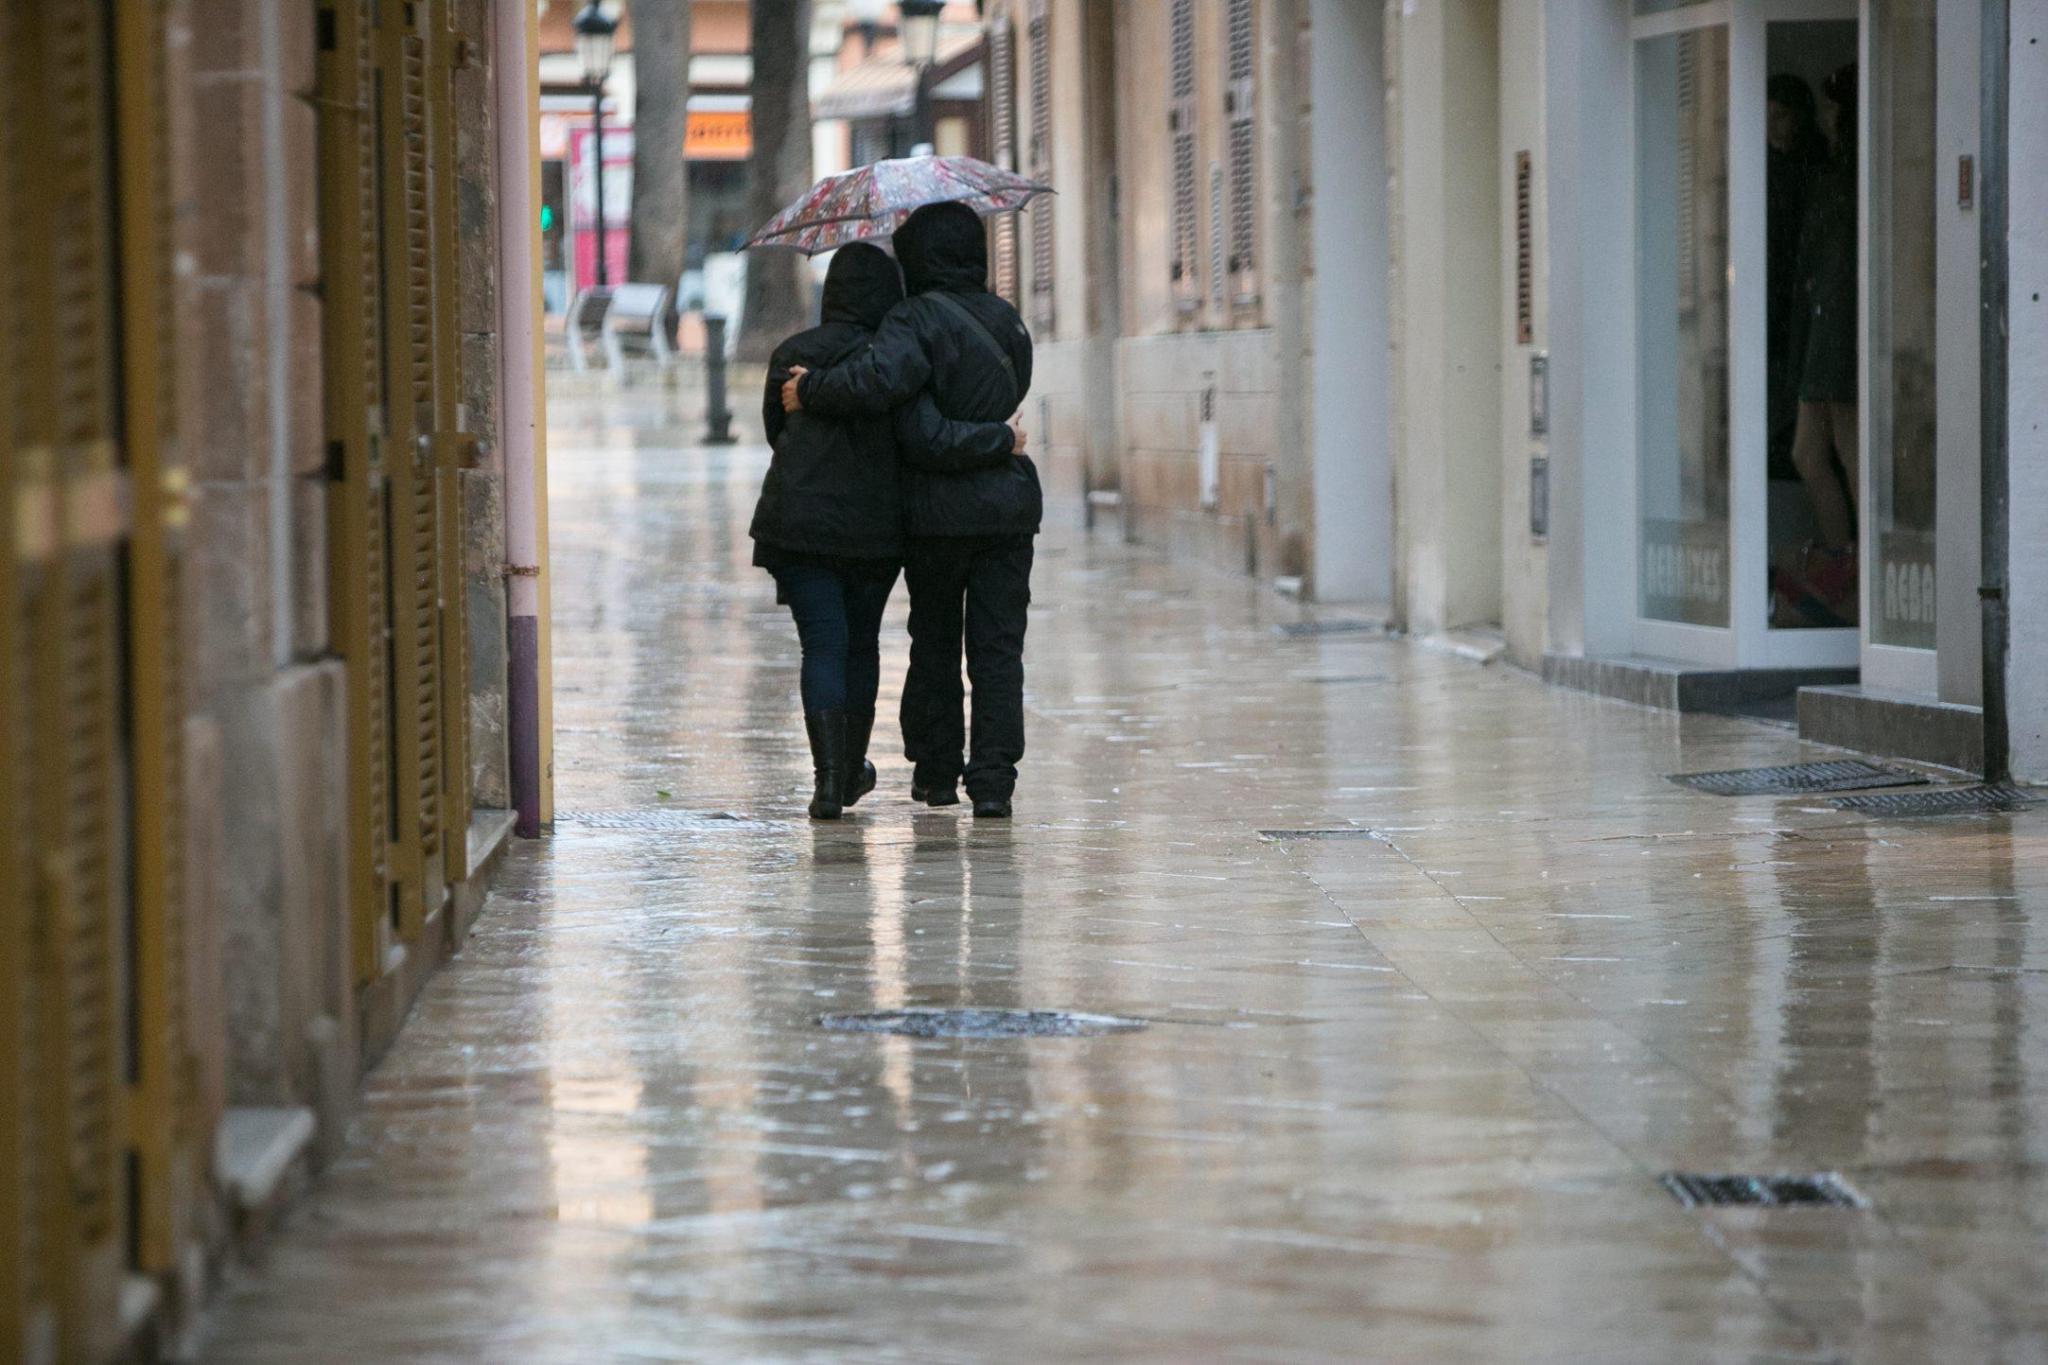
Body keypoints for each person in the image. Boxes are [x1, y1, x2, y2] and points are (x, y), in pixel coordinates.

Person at [782, 202, 1040, 820]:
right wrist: (999, 439)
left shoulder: (914, 319)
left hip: (937, 515)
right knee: (999, 649)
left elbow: (880, 384)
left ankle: (938, 770)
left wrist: (809, 388)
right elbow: (1007, 399)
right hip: (1008, 510)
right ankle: (994, 781)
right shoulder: (1008, 320)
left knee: (936, 641)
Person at [1781, 62, 1860, 625]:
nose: (1829, 117)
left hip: (1841, 329)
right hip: (1821, 326)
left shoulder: (1853, 173)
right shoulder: (1831, 171)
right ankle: (1845, 559)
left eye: (1836, 108)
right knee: (1808, 453)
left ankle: (1858, 565)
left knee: (1850, 454)